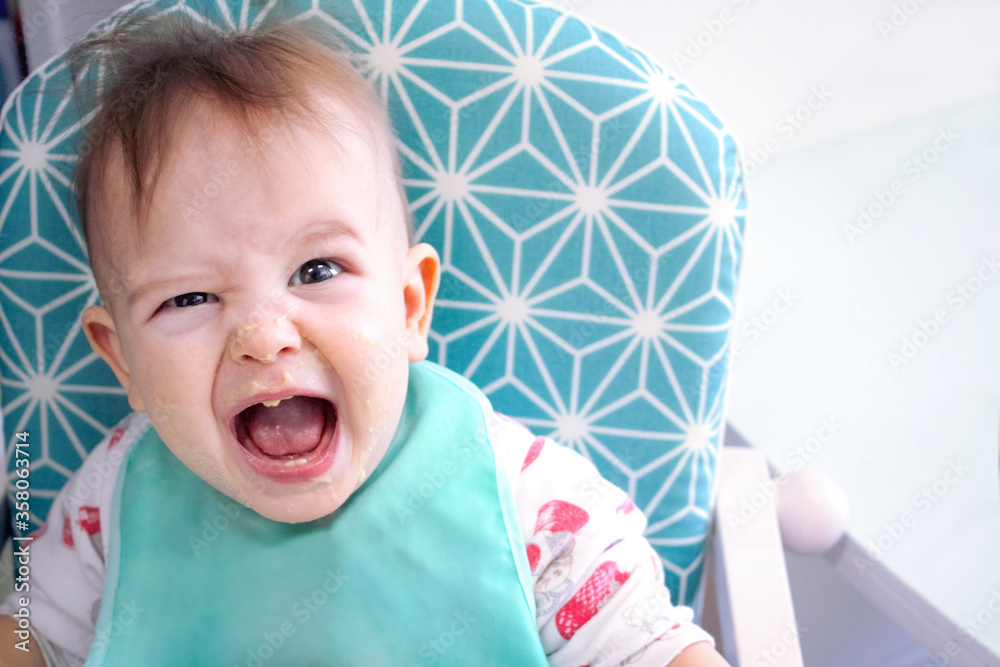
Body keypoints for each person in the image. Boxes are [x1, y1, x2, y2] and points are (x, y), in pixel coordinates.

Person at [0, 13, 729, 667]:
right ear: (121, 357)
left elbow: (648, 645)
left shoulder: (521, 500)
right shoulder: (114, 503)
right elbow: (27, 629)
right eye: (189, 297)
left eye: (317, 269)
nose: (263, 335)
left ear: (410, 305)